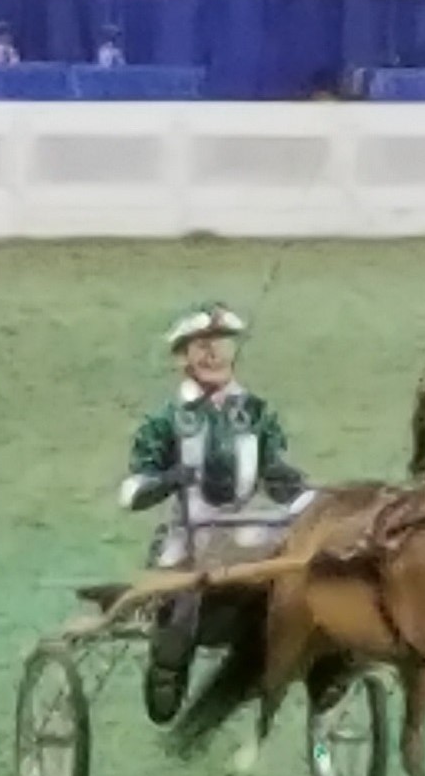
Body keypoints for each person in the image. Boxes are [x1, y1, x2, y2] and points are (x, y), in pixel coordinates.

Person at [120, 304, 309, 723]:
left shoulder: (256, 412)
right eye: (201, 347)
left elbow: (279, 474)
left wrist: (284, 478)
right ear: (183, 357)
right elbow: (131, 491)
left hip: (247, 536)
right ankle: (168, 667)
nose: (212, 355)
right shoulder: (166, 419)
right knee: (182, 596)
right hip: (188, 538)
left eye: (220, 345)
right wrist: (170, 478)